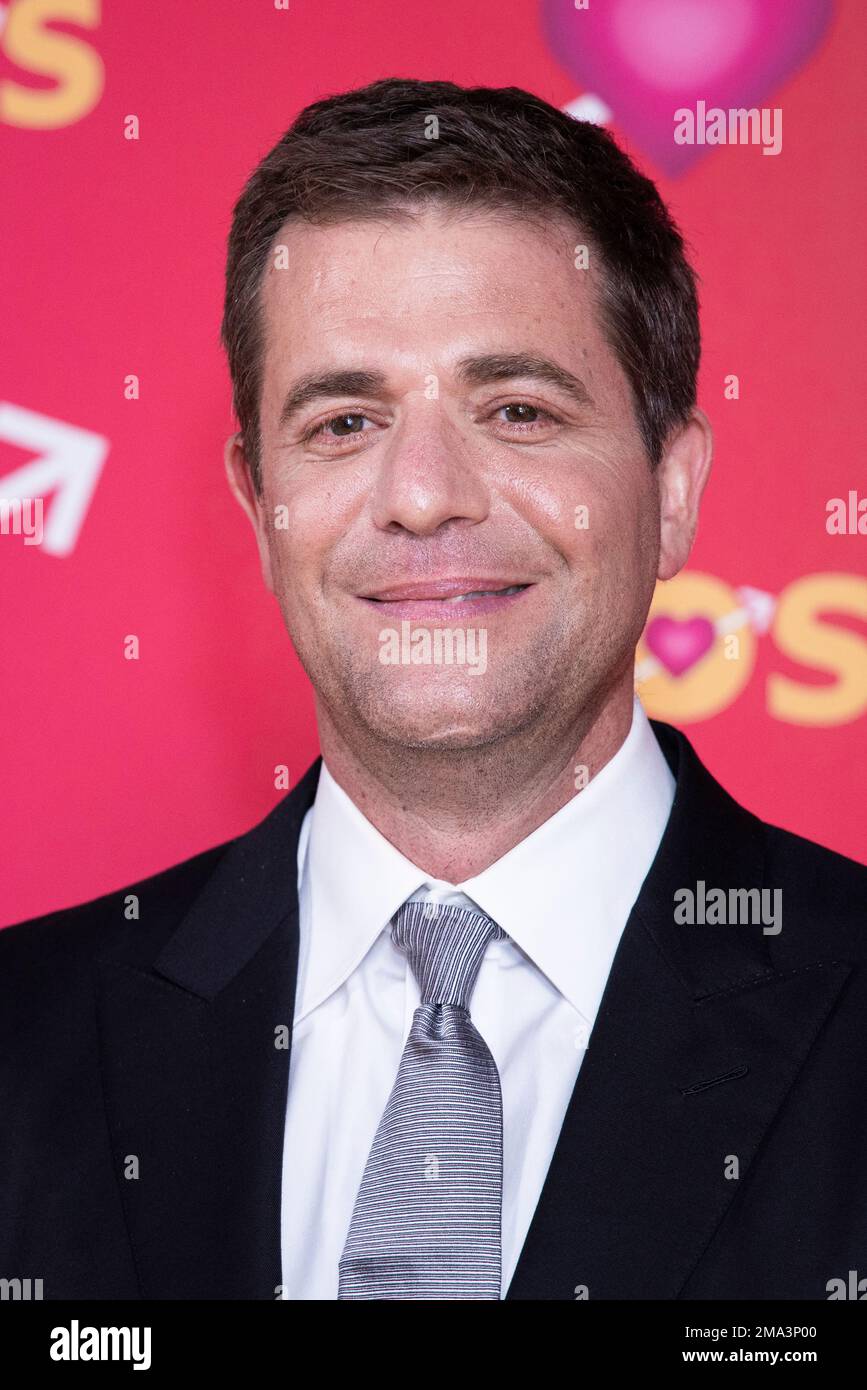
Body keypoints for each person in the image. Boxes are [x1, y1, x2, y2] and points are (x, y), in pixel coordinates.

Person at [2, 78, 865, 1302]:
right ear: (259, 509)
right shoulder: (26, 1043)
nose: (421, 494)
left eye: (516, 409)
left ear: (670, 490)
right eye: (345, 422)